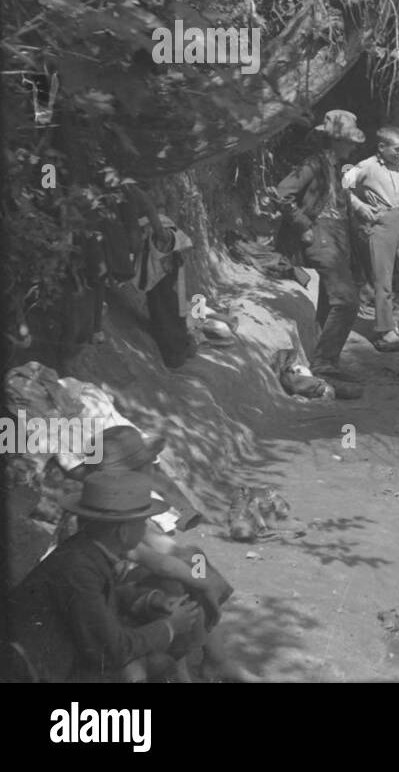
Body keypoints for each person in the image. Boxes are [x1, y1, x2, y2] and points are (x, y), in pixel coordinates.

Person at [52, 426, 254, 682]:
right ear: (128, 473)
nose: (154, 468)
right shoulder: (108, 513)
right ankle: (190, 667)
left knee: (194, 556)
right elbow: (160, 564)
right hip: (104, 605)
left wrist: (198, 570)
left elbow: (167, 549)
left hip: (120, 590)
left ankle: (216, 660)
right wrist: (203, 584)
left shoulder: (116, 500)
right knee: (174, 580)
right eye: (149, 464)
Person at [8, 471, 205, 682]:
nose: (144, 527)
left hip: (54, 656)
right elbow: (111, 649)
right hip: (35, 670)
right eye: (142, 523)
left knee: (155, 661)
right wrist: (170, 626)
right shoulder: (79, 567)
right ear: (122, 532)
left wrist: (152, 600)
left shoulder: (86, 550)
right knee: (139, 669)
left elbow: (100, 600)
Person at [272, 110, 366, 381]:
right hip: (322, 235)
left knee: (331, 300)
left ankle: (324, 361)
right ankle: (324, 361)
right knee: (346, 300)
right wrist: (304, 226)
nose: (352, 146)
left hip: (338, 236)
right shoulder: (314, 164)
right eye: (348, 141)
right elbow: (281, 193)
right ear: (335, 141)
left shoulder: (337, 168)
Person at [347, 125, 399, 350]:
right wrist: (359, 206)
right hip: (382, 222)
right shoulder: (366, 166)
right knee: (383, 279)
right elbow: (343, 183)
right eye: (396, 150)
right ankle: (385, 330)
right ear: (381, 147)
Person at [124, 184, 196, 369]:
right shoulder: (159, 228)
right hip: (165, 275)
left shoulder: (163, 230)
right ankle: (179, 349)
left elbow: (161, 238)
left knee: (167, 313)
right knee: (168, 312)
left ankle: (176, 354)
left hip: (165, 276)